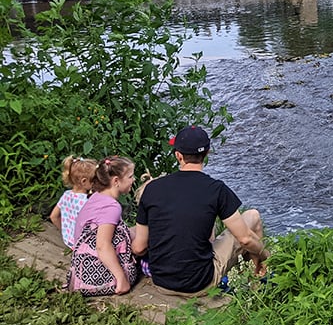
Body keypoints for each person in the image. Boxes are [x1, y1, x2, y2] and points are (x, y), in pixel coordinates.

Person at [132, 125, 269, 295]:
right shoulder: (216, 189)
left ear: (178, 155)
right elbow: (245, 240)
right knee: (252, 216)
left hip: (162, 282)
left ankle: (254, 281)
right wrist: (267, 255)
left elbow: (138, 248)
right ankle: (257, 285)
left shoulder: (152, 188)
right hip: (200, 283)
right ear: (207, 153)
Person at [66, 156, 138, 296]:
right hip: (97, 273)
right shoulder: (111, 207)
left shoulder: (96, 196)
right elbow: (102, 246)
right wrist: (121, 279)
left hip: (82, 262)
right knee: (142, 239)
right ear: (116, 181)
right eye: (130, 176)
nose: (133, 180)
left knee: (138, 231)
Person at [49, 156, 97, 249]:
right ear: (84, 181)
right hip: (85, 244)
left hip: (69, 241)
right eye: (94, 181)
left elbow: (53, 217)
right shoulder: (87, 201)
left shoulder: (66, 195)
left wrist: (65, 232)